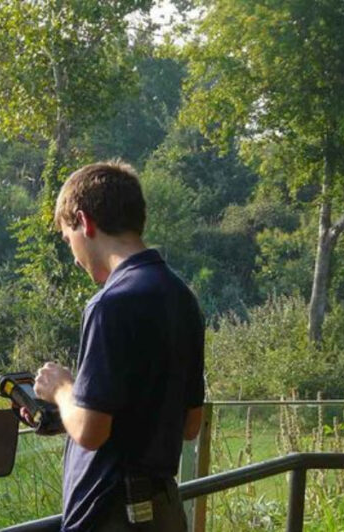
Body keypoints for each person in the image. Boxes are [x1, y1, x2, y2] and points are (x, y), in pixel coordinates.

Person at [32, 161, 205, 531]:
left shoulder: (109, 304)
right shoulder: (180, 296)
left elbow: (92, 432)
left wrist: (62, 389)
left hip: (110, 514)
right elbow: (190, 424)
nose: (74, 256)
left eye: (68, 239)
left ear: (85, 222)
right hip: (162, 509)